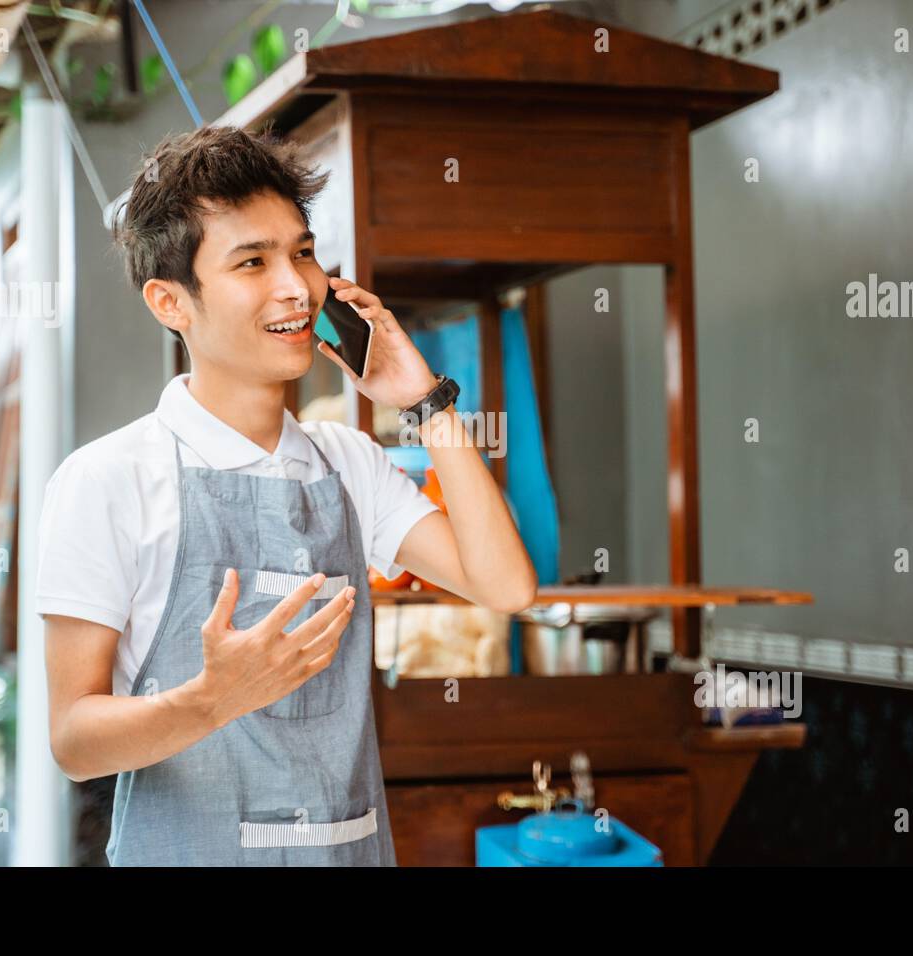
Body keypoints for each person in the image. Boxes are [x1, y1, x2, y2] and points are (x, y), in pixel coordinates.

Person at [35, 125, 537, 866]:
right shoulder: (107, 479)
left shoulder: (347, 462)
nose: (297, 287)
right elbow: (74, 743)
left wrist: (425, 400)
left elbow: (506, 585)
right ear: (171, 301)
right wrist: (210, 699)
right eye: (252, 261)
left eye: (302, 252)